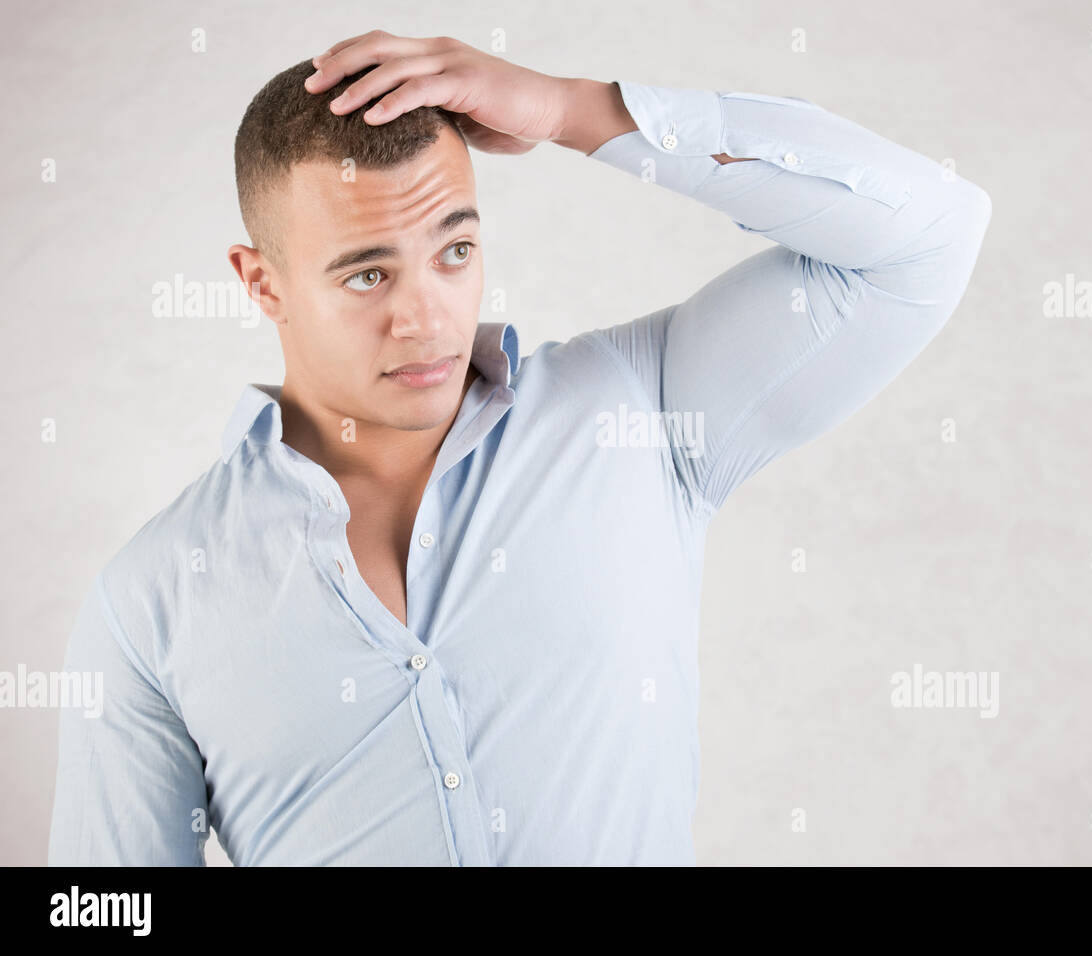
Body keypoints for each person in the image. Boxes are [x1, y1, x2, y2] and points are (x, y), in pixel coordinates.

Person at [48, 30, 992, 865]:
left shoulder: (642, 412)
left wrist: (570, 108)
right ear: (262, 283)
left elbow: (928, 237)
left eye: (454, 251)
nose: (426, 319)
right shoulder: (152, 605)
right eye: (369, 273)